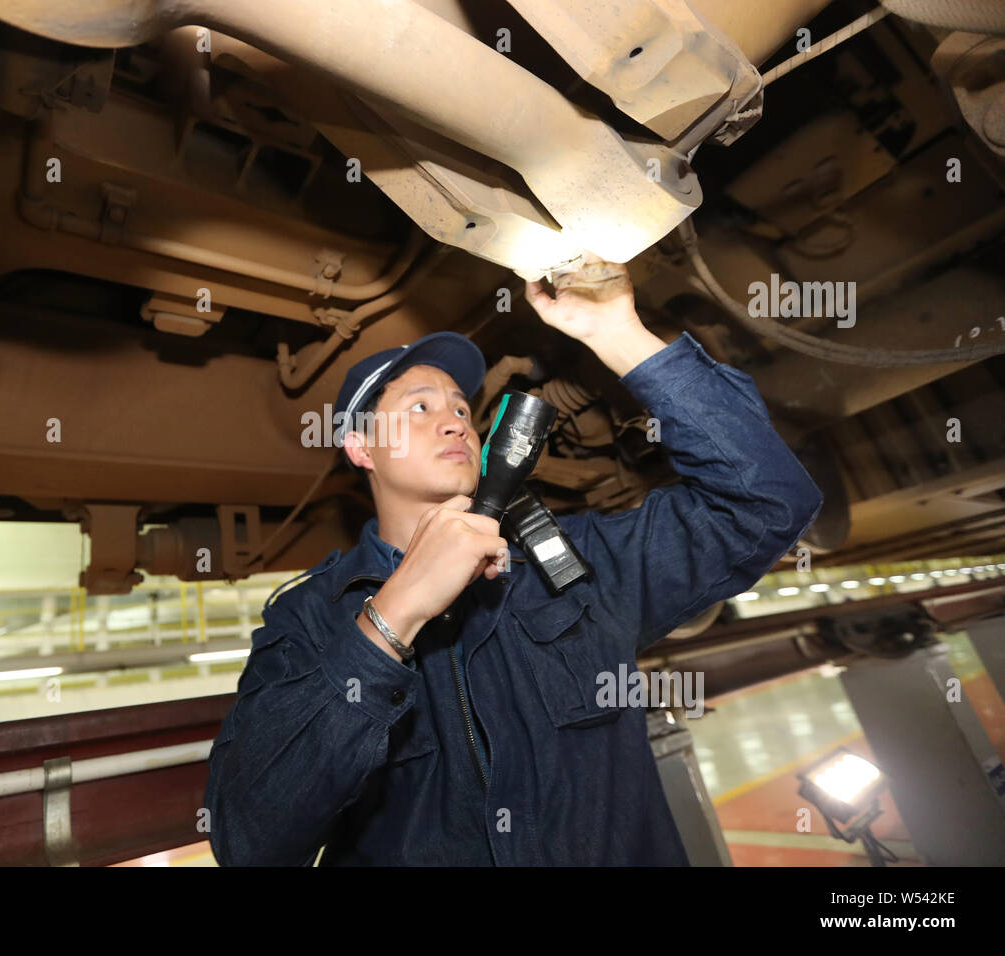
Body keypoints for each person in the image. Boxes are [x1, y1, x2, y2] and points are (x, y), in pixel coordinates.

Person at [203, 259, 824, 865]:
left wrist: (617, 332)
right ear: (360, 447)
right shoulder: (310, 620)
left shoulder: (584, 564)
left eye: (459, 407)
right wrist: (391, 618)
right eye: (420, 407)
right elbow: (250, 839)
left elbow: (767, 499)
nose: (453, 420)